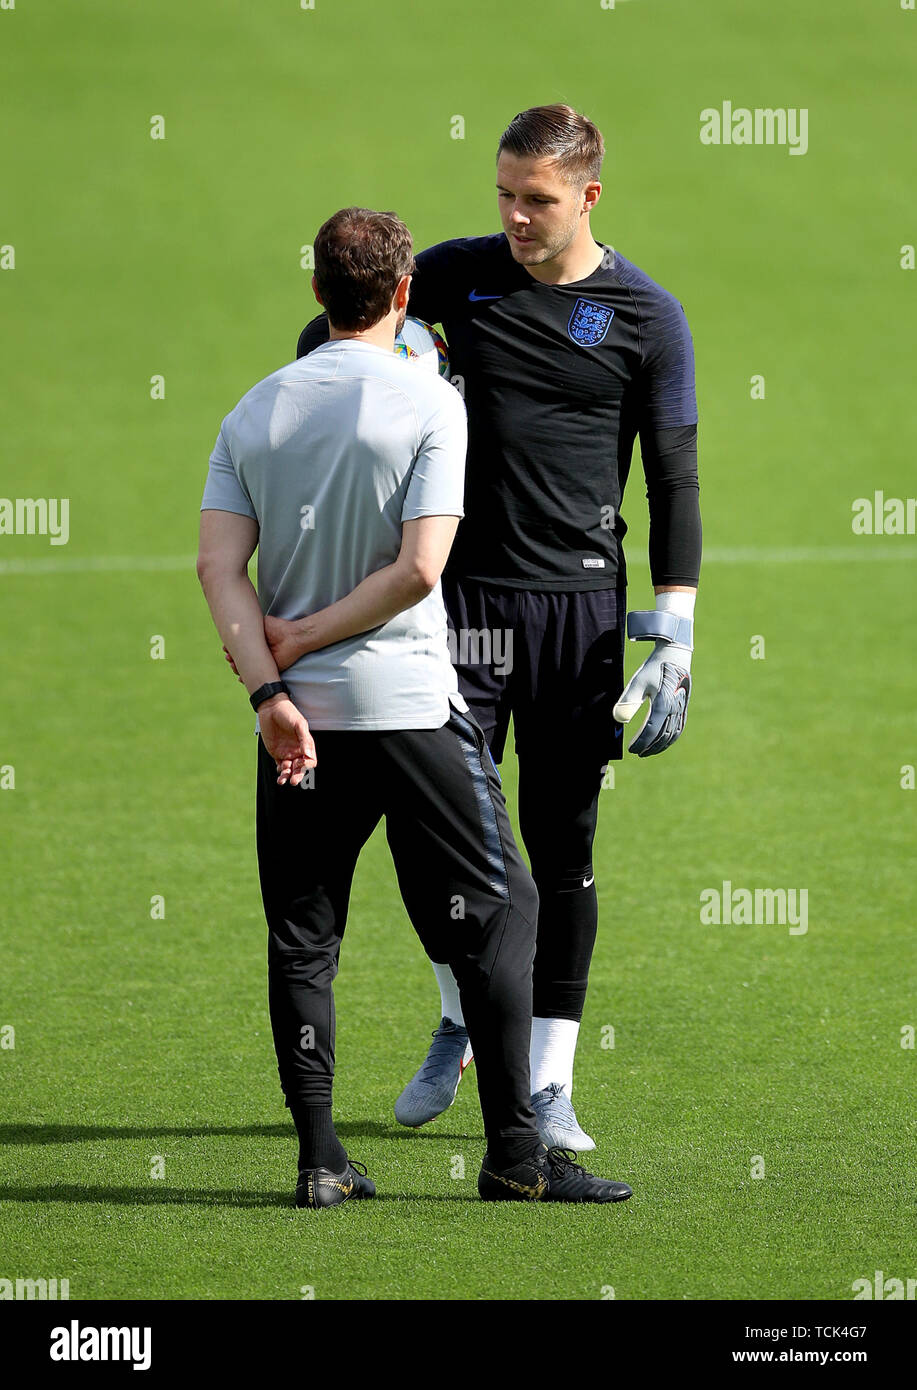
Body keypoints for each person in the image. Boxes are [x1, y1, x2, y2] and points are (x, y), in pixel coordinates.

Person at [198, 205, 633, 1207]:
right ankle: (516, 1153)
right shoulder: (432, 403)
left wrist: (270, 682)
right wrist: (308, 638)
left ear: (315, 292)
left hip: (295, 720)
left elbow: (218, 567)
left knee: (304, 934)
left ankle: (318, 1159)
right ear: (403, 296)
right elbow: (418, 569)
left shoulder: (251, 411)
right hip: (407, 707)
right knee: (507, 905)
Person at [287, 107, 702, 1155]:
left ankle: (550, 1085)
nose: (516, 217)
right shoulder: (453, 277)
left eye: (538, 201)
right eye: (505, 194)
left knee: (561, 851)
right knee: (438, 847)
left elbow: (672, 477)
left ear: (588, 198)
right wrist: (401, 361)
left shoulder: (646, 317)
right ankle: (461, 1013)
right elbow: (325, 332)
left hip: (577, 619)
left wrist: (679, 627)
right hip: (456, 609)